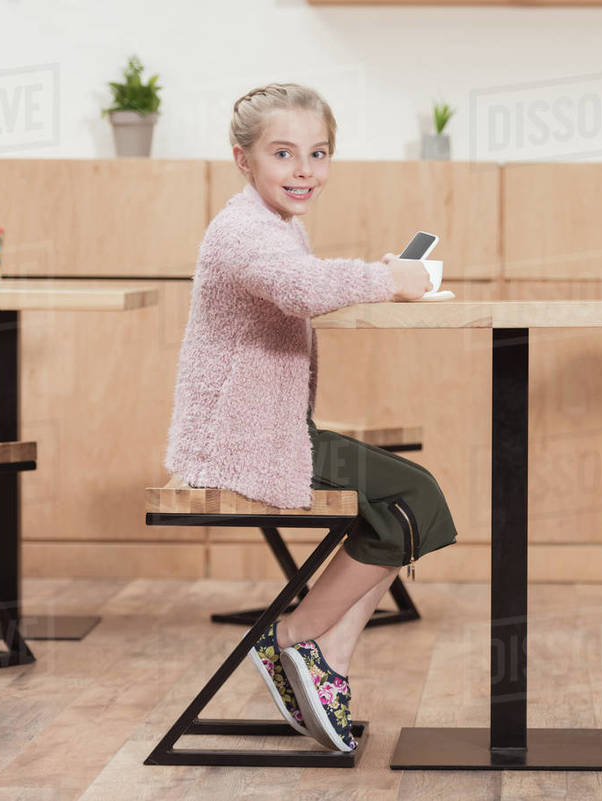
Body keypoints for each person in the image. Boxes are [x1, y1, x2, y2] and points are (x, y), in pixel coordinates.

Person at [163, 83, 459, 752]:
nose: (304, 170)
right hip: (237, 442)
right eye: (283, 153)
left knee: (402, 505)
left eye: (318, 153)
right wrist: (388, 279)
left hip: (269, 431)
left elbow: (306, 278)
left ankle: (330, 655)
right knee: (414, 494)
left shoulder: (278, 225)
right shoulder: (241, 230)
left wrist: (381, 275)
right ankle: (292, 637)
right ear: (242, 159)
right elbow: (299, 287)